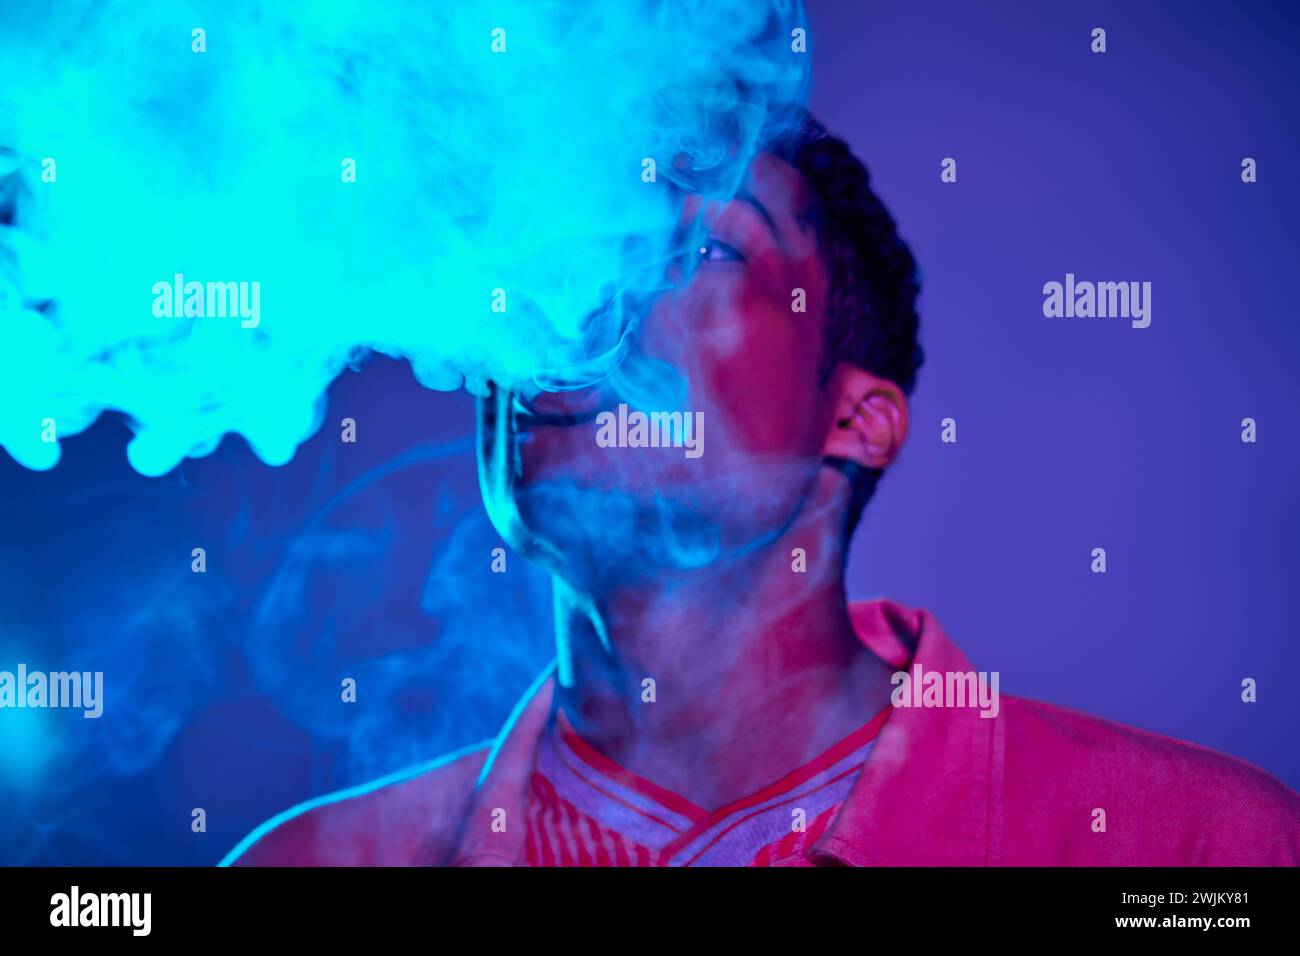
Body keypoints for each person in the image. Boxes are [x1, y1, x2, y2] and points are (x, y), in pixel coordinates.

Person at [222, 116, 1300, 867]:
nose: (580, 305)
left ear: (855, 419)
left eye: (699, 248)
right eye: (572, 251)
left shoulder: (1198, 844)